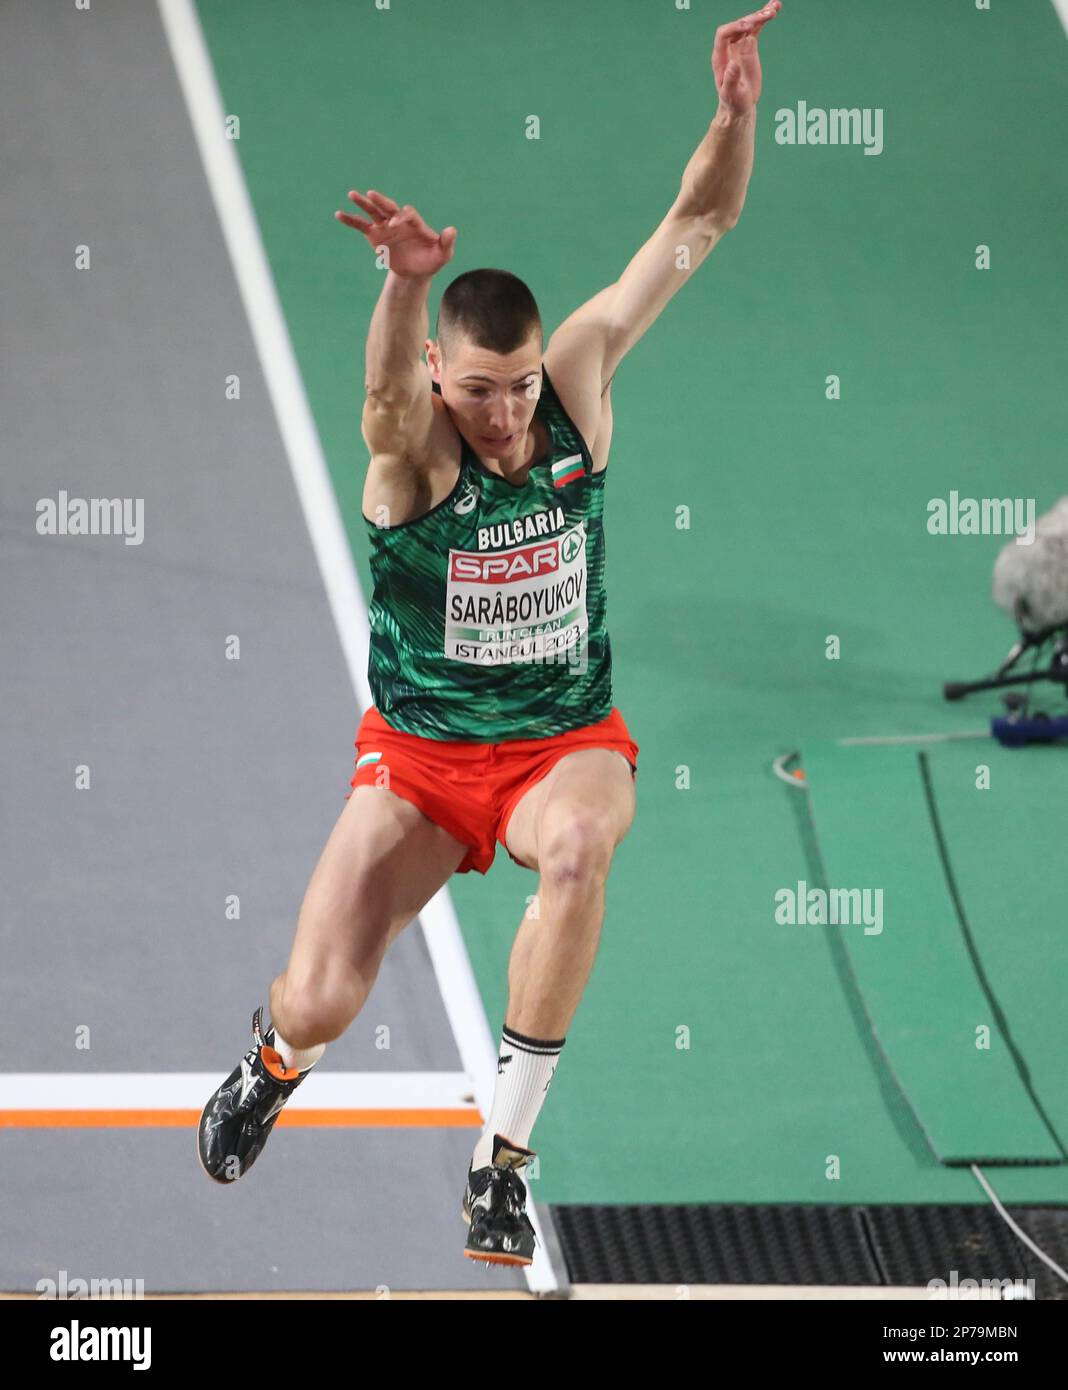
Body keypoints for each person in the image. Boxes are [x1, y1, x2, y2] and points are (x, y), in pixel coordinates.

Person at [197, 2, 781, 1267]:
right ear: (441, 375)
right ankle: (275, 1059)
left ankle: (503, 1160)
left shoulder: (574, 385)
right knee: (322, 996)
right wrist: (406, 281)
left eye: (518, 386)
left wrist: (732, 117)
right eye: (480, 389)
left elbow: (699, 223)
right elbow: (381, 396)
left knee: (579, 848)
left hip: (564, 739)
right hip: (420, 760)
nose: (508, 414)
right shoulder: (413, 457)